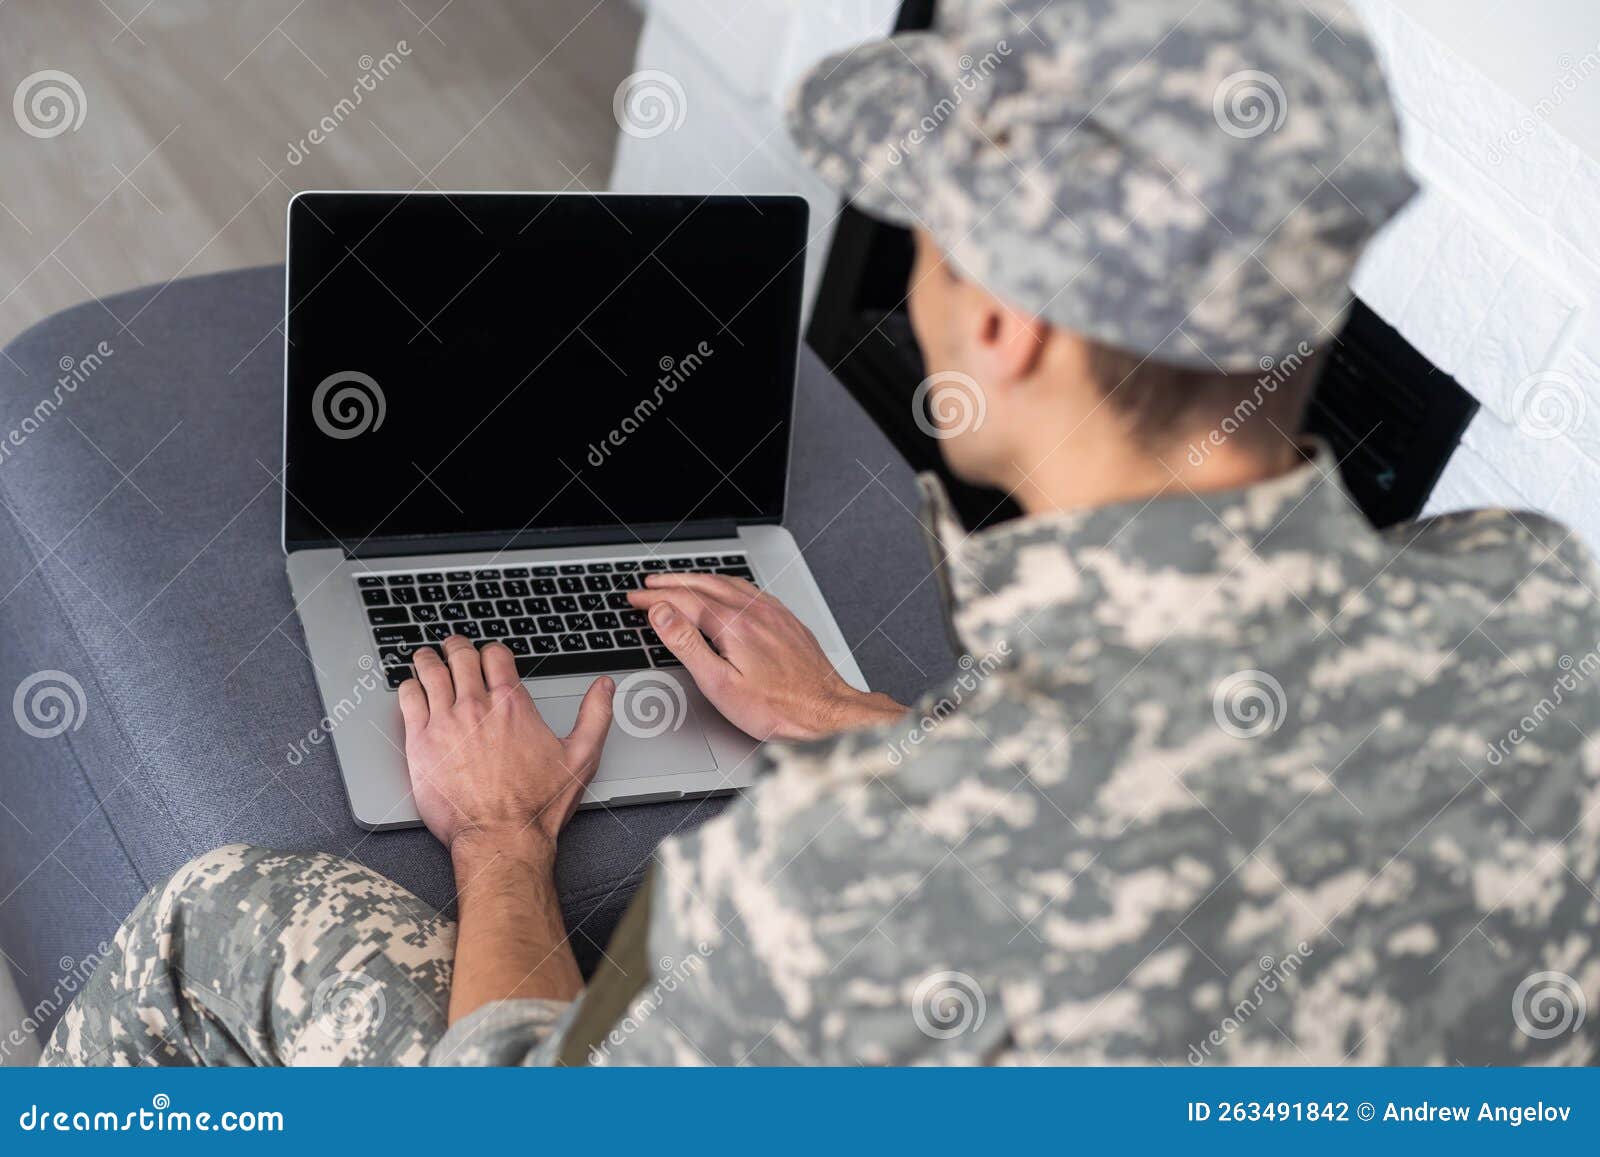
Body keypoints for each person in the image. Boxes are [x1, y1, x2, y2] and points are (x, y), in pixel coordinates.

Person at [45, 0, 1600, 1067]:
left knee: (220, 910)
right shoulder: (1534, 600)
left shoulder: (816, 895)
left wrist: (505, 838)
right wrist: (859, 719)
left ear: (1006, 323)